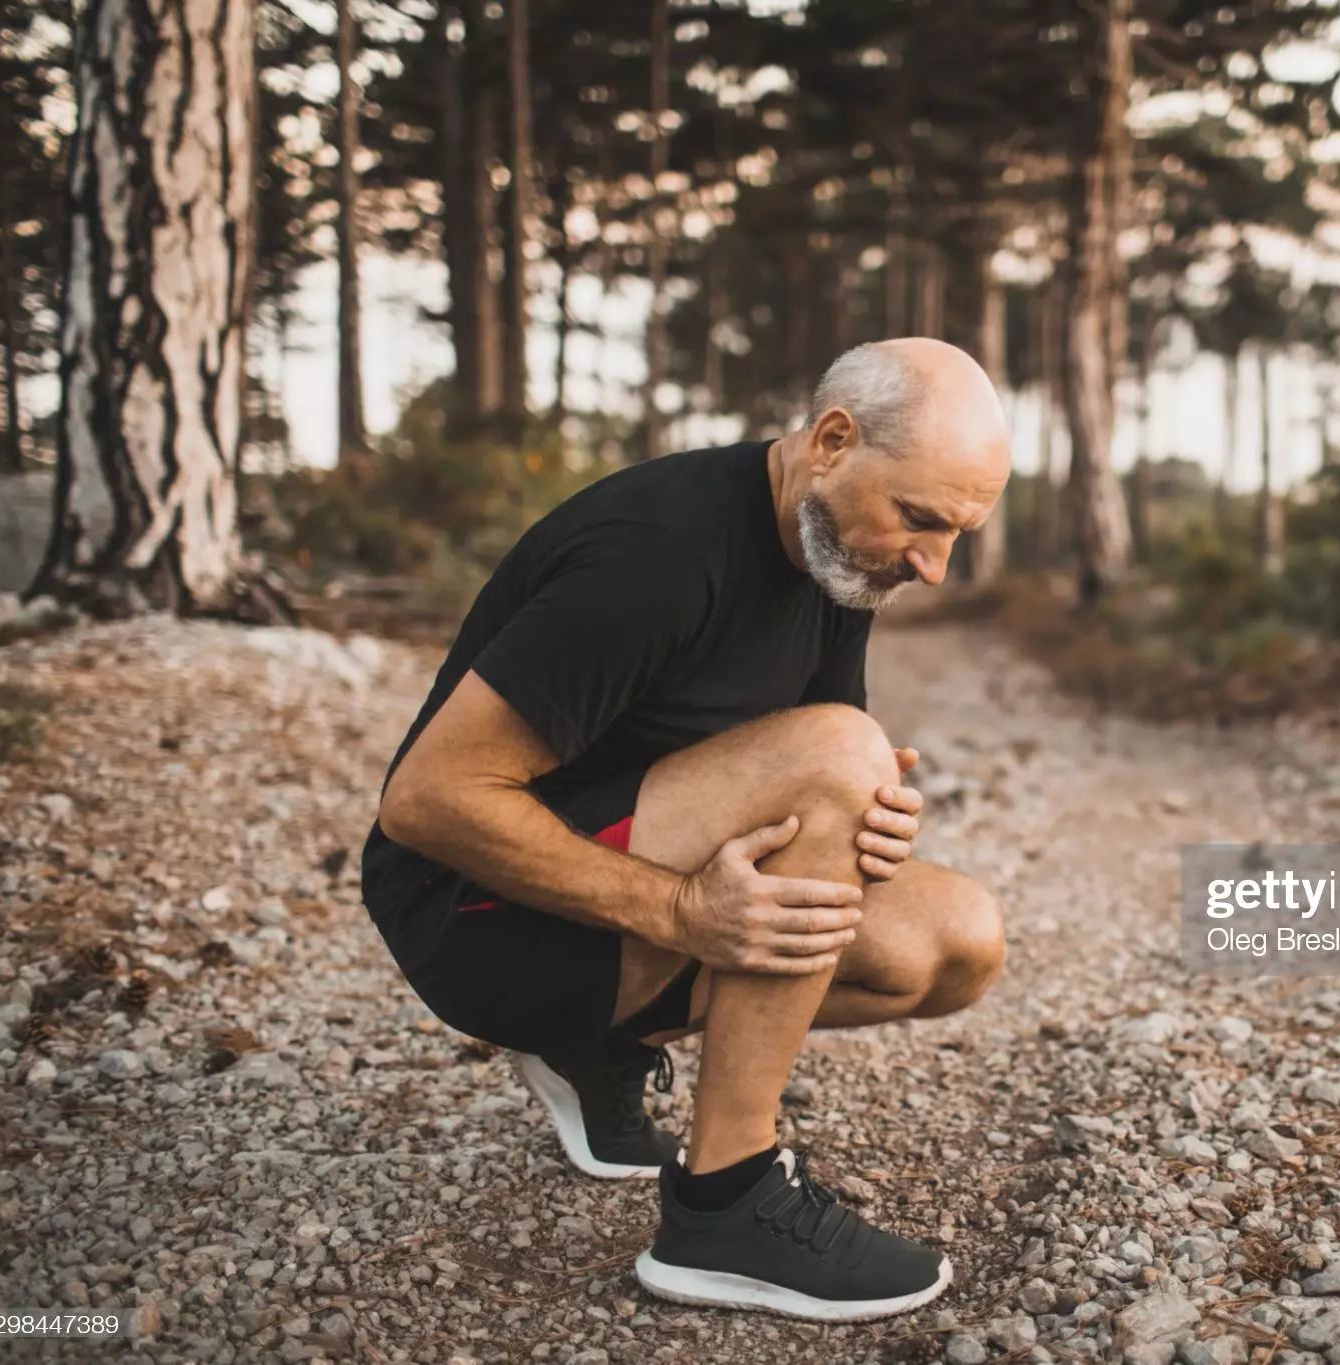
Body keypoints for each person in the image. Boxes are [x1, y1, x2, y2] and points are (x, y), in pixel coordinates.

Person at [359, 338, 1012, 1322]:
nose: (931, 564)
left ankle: (593, 1050)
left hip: (605, 904)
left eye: (958, 533)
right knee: (839, 752)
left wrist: (871, 822)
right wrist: (677, 909)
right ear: (831, 440)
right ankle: (722, 1206)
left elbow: (804, 780)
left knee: (956, 942)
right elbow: (425, 800)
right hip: (471, 917)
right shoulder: (655, 557)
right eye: (920, 521)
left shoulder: (837, 550)